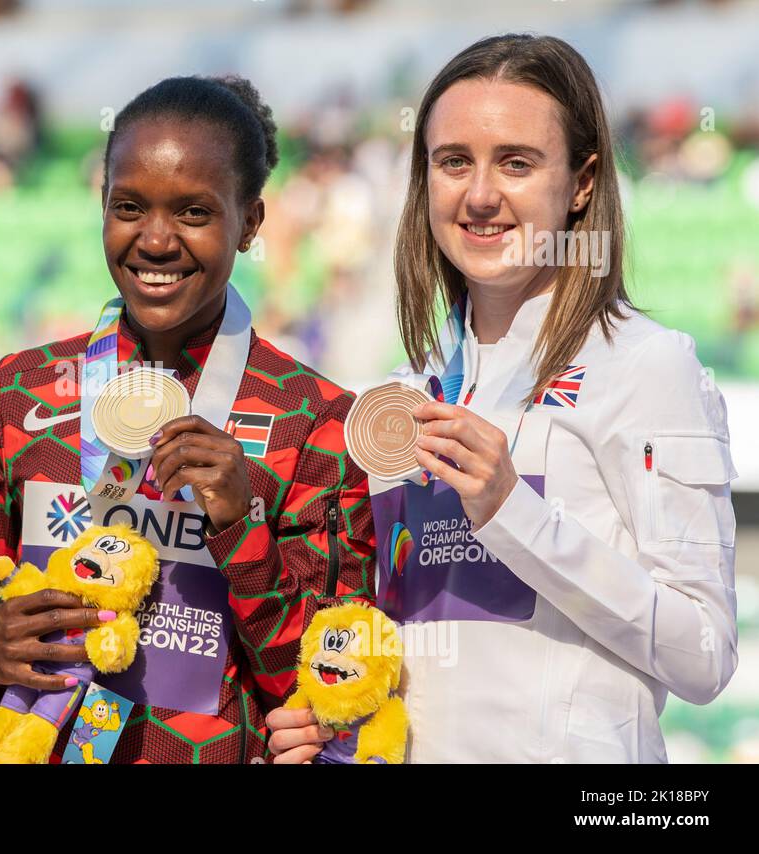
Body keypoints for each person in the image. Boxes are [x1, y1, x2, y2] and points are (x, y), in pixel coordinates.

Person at [267, 34, 737, 763]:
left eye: (516, 162)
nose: (480, 195)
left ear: (582, 183)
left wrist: (514, 511)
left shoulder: (647, 366)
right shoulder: (402, 392)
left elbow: (704, 656)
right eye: (454, 161)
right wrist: (332, 728)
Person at [0, 75, 375, 763]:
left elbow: (325, 689)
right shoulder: (17, 394)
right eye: (129, 206)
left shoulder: (315, 420)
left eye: (194, 212)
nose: (156, 241)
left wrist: (239, 526)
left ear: (250, 222)